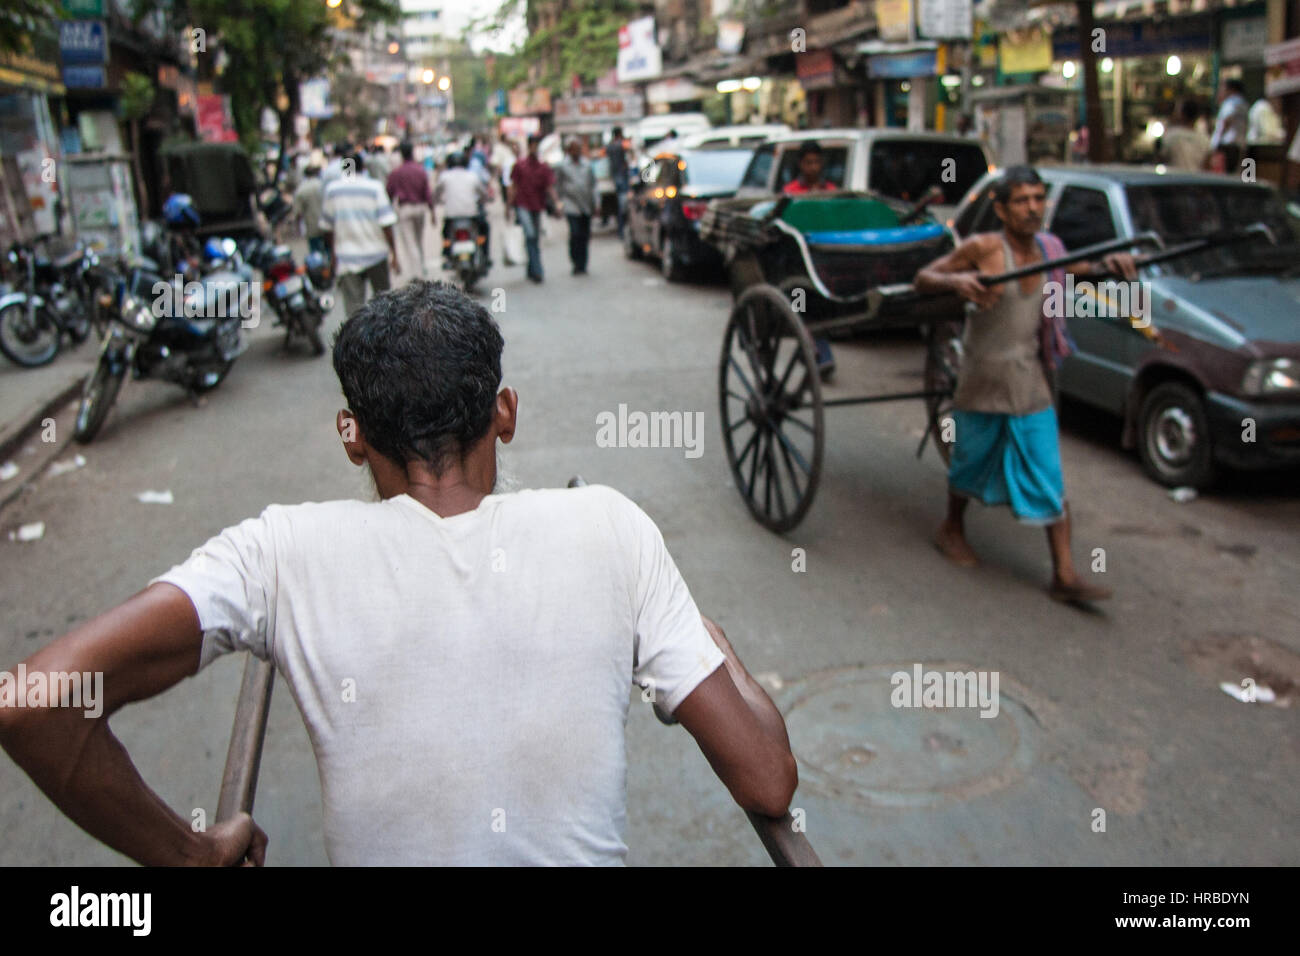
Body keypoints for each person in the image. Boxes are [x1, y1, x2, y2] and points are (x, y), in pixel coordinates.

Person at [0, 281, 799, 865]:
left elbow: (32, 705)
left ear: (353, 436)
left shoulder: (279, 552)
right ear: (506, 412)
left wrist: (189, 855)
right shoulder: (612, 528)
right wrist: (706, 642)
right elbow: (768, 782)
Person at [913, 165, 1137, 604]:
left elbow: (1086, 268)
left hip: (1030, 377)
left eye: (1038, 198)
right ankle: (951, 528)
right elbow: (925, 278)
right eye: (1022, 200)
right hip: (982, 376)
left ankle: (1065, 574)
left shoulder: (1051, 248)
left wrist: (1113, 265)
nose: (1033, 208)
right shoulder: (983, 247)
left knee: (1049, 470)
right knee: (969, 463)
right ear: (1000, 208)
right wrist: (957, 280)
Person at [320, 152, 399, 318]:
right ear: (363, 167)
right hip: (375, 254)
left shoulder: (333, 190)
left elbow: (327, 228)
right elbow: (386, 224)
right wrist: (394, 253)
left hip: (347, 257)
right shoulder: (374, 187)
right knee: (385, 306)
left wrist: (334, 255)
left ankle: (357, 343)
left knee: (354, 312)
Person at [782, 140, 837, 378]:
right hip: (798, 261)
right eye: (808, 162)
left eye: (816, 162)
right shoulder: (791, 192)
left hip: (827, 259)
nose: (813, 167)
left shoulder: (832, 192)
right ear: (801, 164)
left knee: (819, 309)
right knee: (803, 307)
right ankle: (817, 351)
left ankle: (813, 349)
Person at [508, 134, 558, 283]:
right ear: (529, 146)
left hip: (537, 205)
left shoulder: (543, 168)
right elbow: (513, 186)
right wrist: (508, 206)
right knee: (530, 235)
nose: (534, 148)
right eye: (533, 145)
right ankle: (537, 270)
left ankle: (531, 268)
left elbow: (550, 187)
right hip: (523, 205)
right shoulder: (519, 166)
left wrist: (557, 203)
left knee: (534, 238)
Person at [433, 151, 491, 268]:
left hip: (452, 216)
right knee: (484, 230)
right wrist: (484, 199)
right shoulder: (472, 176)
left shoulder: (445, 176)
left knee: (446, 234)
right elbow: (483, 194)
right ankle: (485, 255)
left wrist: (438, 201)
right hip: (471, 215)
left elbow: (436, 194)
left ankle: (447, 254)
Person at [386, 140, 435, 278]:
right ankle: (420, 267)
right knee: (418, 240)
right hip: (420, 208)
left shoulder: (397, 172)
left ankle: (417, 273)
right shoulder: (420, 170)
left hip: (406, 209)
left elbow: (389, 192)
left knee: (410, 242)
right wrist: (432, 211)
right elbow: (427, 192)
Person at [554, 138, 599, 276]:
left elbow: (593, 186)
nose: (576, 151)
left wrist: (596, 203)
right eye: (574, 149)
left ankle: (583, 264)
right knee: (575, 233)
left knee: (584, 236)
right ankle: (575, 261)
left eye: (578, 148)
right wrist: (558, 204)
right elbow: (558, 186)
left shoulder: (587, 165)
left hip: (585, 205)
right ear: (569, 150)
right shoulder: (562, 166)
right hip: (571, 204)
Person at [1210, 79, 1249, 174]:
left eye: (1222, 88)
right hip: (1237, 145)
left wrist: (1215, 142)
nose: (1220, 91)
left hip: (1229, 146)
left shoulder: (1233, 102)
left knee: (1226, 174)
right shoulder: (1242, 102)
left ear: (1231, 89)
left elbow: (1227, 121)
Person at [1162, 100, 1211, 171]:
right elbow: (1206, 166)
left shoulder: (1171, 136)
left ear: (1181, 114)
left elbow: (1162, 160)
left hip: (1173, 179)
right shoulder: (1205, 139)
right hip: (1197, 180)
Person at [293, 165, 328, 256]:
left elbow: (298, 213)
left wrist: (298, 230)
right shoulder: (324, 186)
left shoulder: (301, 190)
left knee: (315, 254)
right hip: (326, 224)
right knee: (328, 251)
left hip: (312, 227)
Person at [607, 125, 631, 240]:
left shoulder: (610, 146)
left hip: (616, 176)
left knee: (621, 205)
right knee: (624, 206)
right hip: (622, 177)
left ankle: (621, 230)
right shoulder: (620, 145)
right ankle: (622, 231)